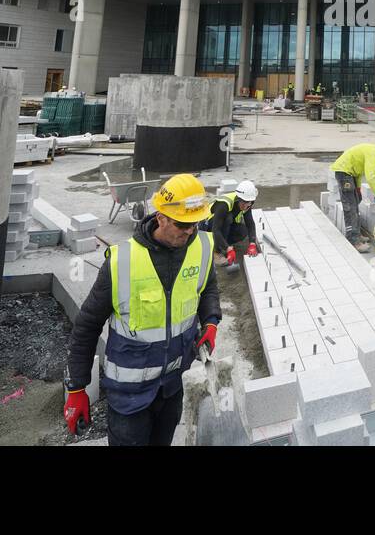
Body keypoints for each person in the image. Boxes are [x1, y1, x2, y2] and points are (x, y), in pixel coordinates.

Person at [62, 173, 220, 446]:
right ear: (161, 218)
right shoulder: (122, 261)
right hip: (129, 396)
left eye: (194, 223)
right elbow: (87, 326)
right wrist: (77, 387)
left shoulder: (202, 247)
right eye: (182, 224)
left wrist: (211, 322)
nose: (190, 231)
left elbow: (208, 289)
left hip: (172, 385)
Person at [328, 143, 375, 252]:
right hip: (344, 172)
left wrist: (358, 188)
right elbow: (370, 177)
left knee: (356, 201)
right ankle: (354, 240)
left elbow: (359, 172)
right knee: (350, 206)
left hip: (350, 173)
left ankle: (357, 234)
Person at [206, 179, 259, 268]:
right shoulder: (224, 204)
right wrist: (228, 249)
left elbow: (250, 224)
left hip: (223, 227)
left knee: (243, 231)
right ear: (238, 198)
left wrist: (252, 243)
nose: (246, 206)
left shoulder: (248, 204)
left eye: (249, 203)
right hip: (208, 227)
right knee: (228, 218)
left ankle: (223, 244)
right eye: (243, 202)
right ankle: (216, 251)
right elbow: (216, 229)